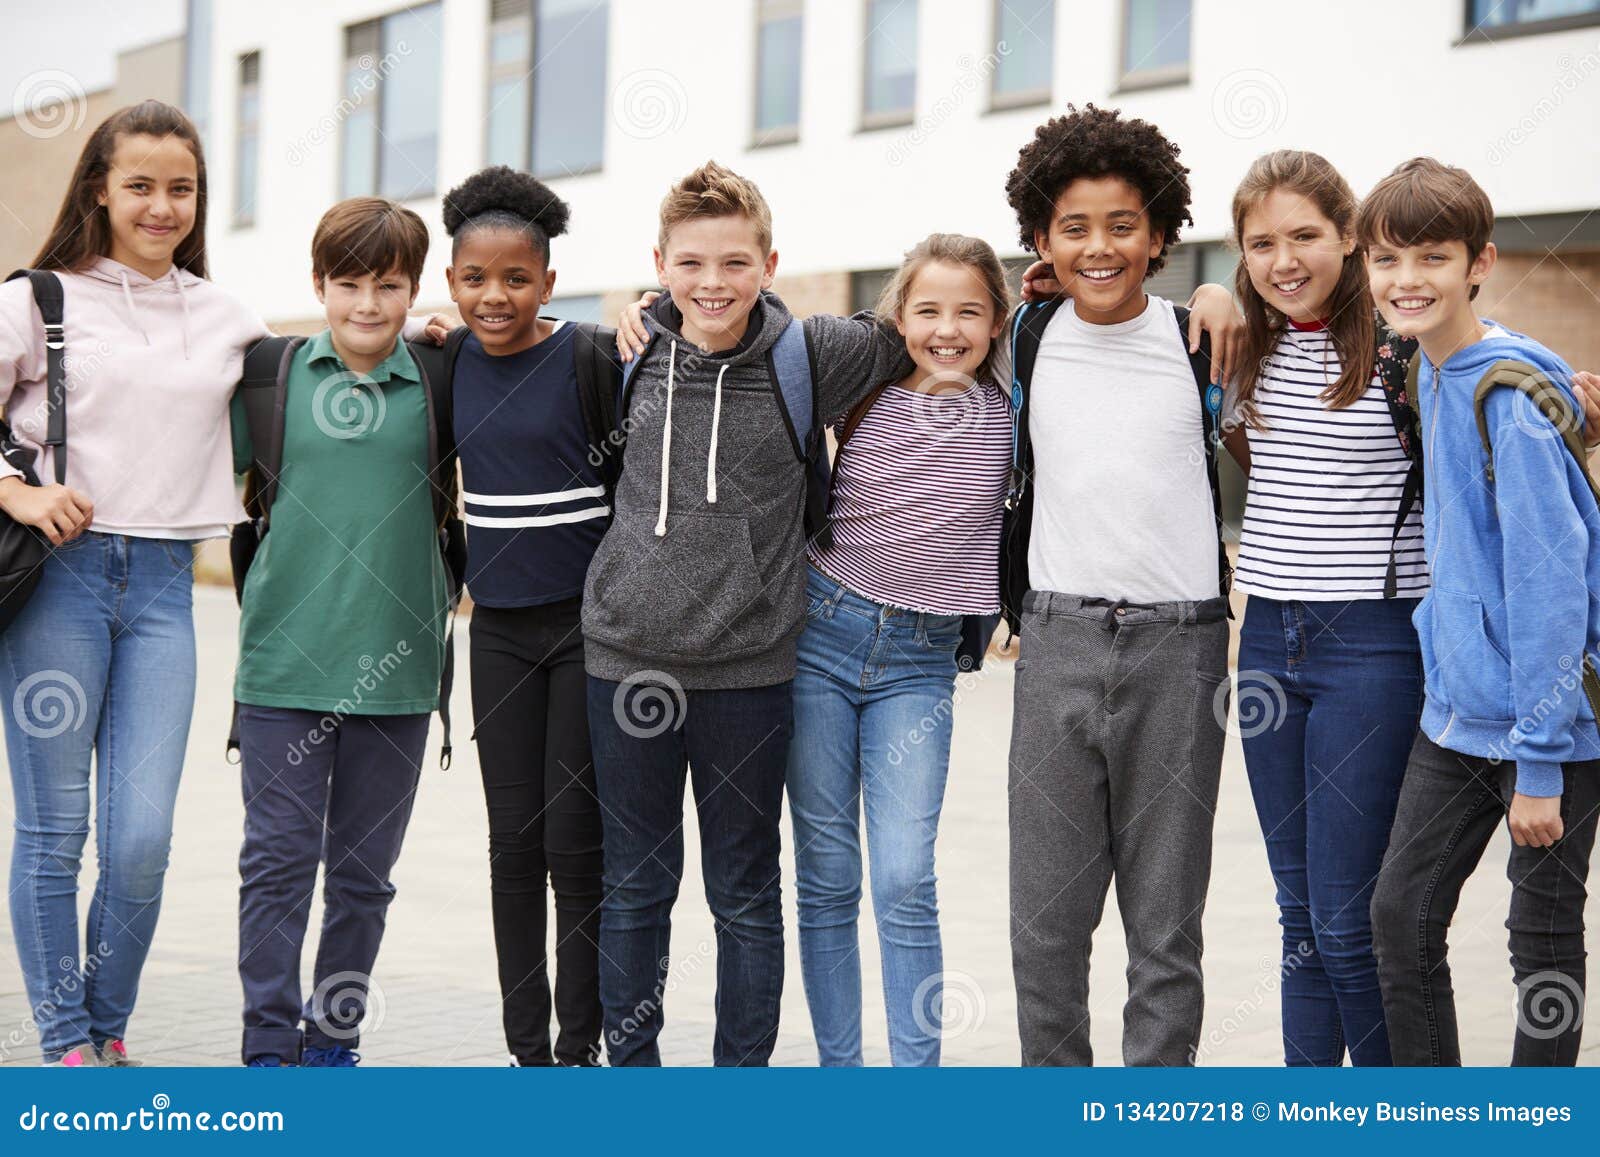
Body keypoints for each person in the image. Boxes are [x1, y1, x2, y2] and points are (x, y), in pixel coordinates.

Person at [0, 100, 271, 1068]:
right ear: (100, 190)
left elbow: (335, 370)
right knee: (55, 827)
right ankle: (69, 1040)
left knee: (143, 836)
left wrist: (435, 333)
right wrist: (18, 494)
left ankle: (108, 1018)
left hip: (164, 586)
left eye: (181, 188)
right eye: (142, 185)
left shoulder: (231, 316)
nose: (162, 206)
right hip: (58, 586)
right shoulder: (40, 297)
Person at [1363, 158, 1600, 1067]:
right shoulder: (1429, 367)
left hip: (1553, 723)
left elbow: (1552, 587)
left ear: (1479, 262)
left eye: (1432, 255)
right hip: (1460, 710)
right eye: (1388, 260)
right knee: (1401, 918)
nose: (1407, 279)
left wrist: (1540, 764)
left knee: (1539, 938)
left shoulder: (1506, 395)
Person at [232, 197, 450, 1068]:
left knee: (362, 880)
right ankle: (266, 1049)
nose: (368, 304)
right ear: (318, 285)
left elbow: (538, 354)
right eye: (349, 283)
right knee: (277, 867)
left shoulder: (443, 375)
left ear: (414, 289)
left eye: (388, 285)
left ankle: (333, 1046)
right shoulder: (269, 377)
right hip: (284, 667)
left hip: (399, 675)